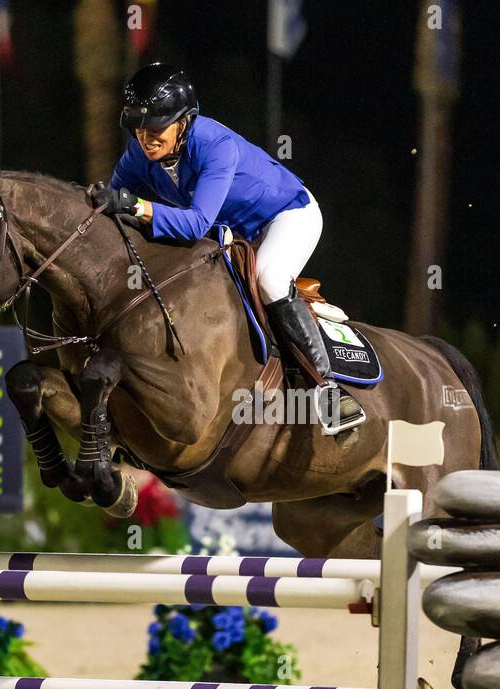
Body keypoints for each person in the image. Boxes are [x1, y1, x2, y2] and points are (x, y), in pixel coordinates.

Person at [92, 62, 364, 435]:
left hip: (286, 216)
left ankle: (328, 391)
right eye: (138, 128)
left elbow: (194, 224)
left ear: (183, 123)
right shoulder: (139, 155)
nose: (145, 137)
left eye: (156, 127)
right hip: (233, 233)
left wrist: (136, 205)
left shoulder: (214, 145)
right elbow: (113, 202)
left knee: (269, 278)